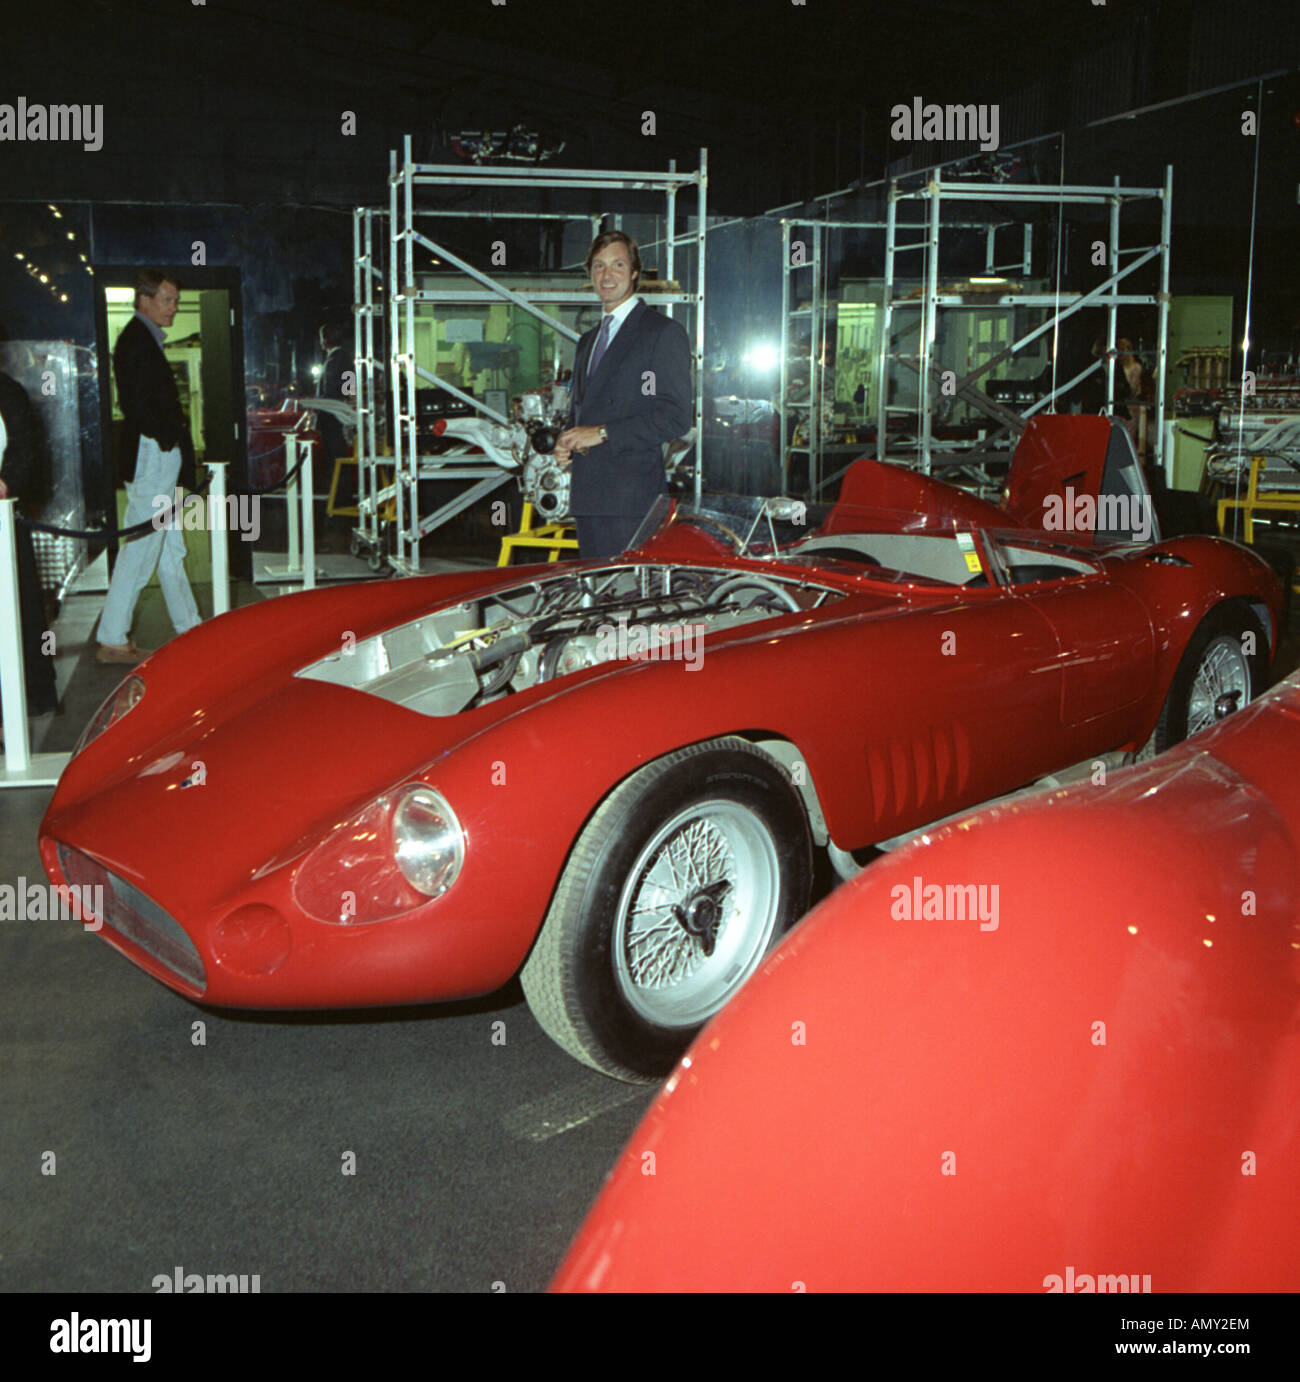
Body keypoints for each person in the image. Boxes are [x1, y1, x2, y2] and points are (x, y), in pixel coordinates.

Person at [555, 231, 692, 558]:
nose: (606, 274)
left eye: (617, 265)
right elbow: (584, 413)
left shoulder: (661, 333)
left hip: (630, 501)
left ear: (634, 273)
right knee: (595, 599)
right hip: (588, 498)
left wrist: (601, 433)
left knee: (626, 600)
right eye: (598, 266)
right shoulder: (588, 340)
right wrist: (568, 441)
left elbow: (674, 417)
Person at [96, 269, 201, 663]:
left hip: (156, 454)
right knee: (141, 546)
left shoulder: (139, 339)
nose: (174, 307)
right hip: (153, 454)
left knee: (170, 548)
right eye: (168, 300)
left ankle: (189, 626)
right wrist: (168, 436)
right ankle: (112, 636)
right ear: (145, 300)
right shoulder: (137, 342)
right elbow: (138, 406)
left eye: (174, 300)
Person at [0, 360, 59, 716]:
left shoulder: (7, 391)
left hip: (3, 520)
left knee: (14, 614)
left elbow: (25, 446)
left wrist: (6, 482)